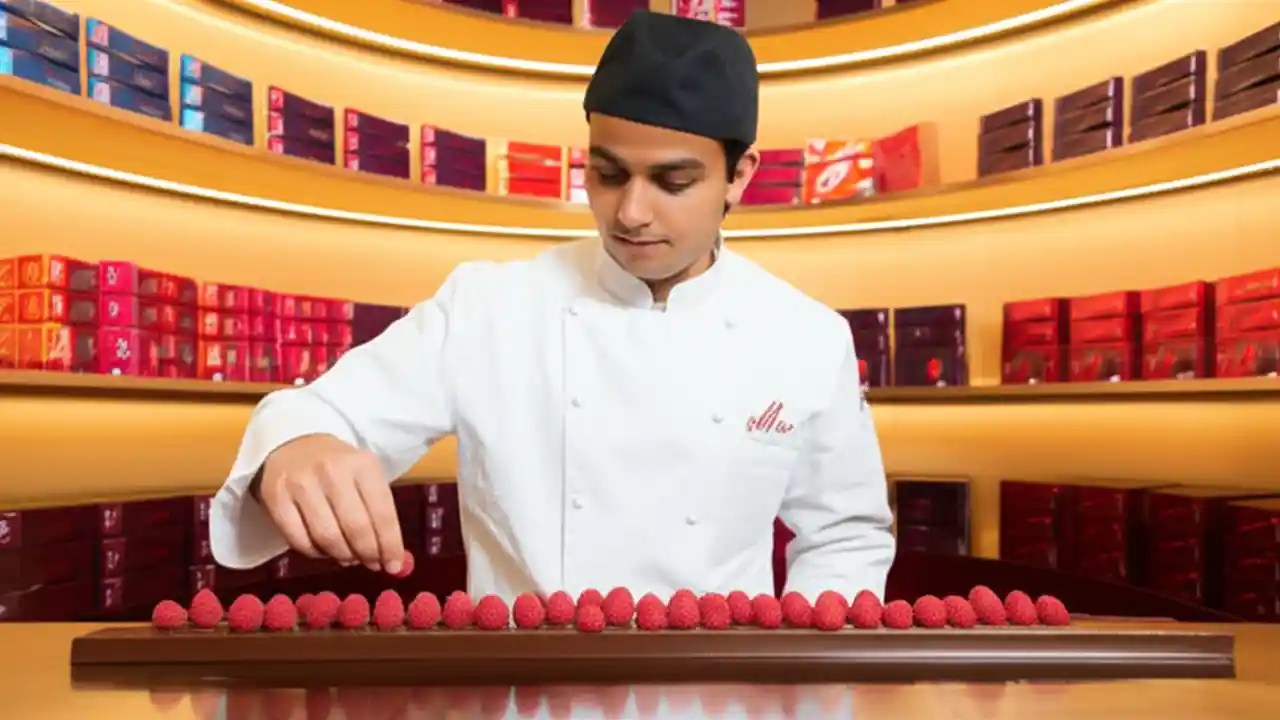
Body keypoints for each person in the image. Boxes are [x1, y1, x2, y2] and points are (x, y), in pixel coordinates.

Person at [210, 10, 895, 601]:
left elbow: (846, 533)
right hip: (523, 696)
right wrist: (296, 446)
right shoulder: (488, 306)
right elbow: (319, 412)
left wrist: (797, 678)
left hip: (719, 700)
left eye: (672, 181)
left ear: (737, 178)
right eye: (607, 173)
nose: (630, 212)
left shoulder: (806, 336)